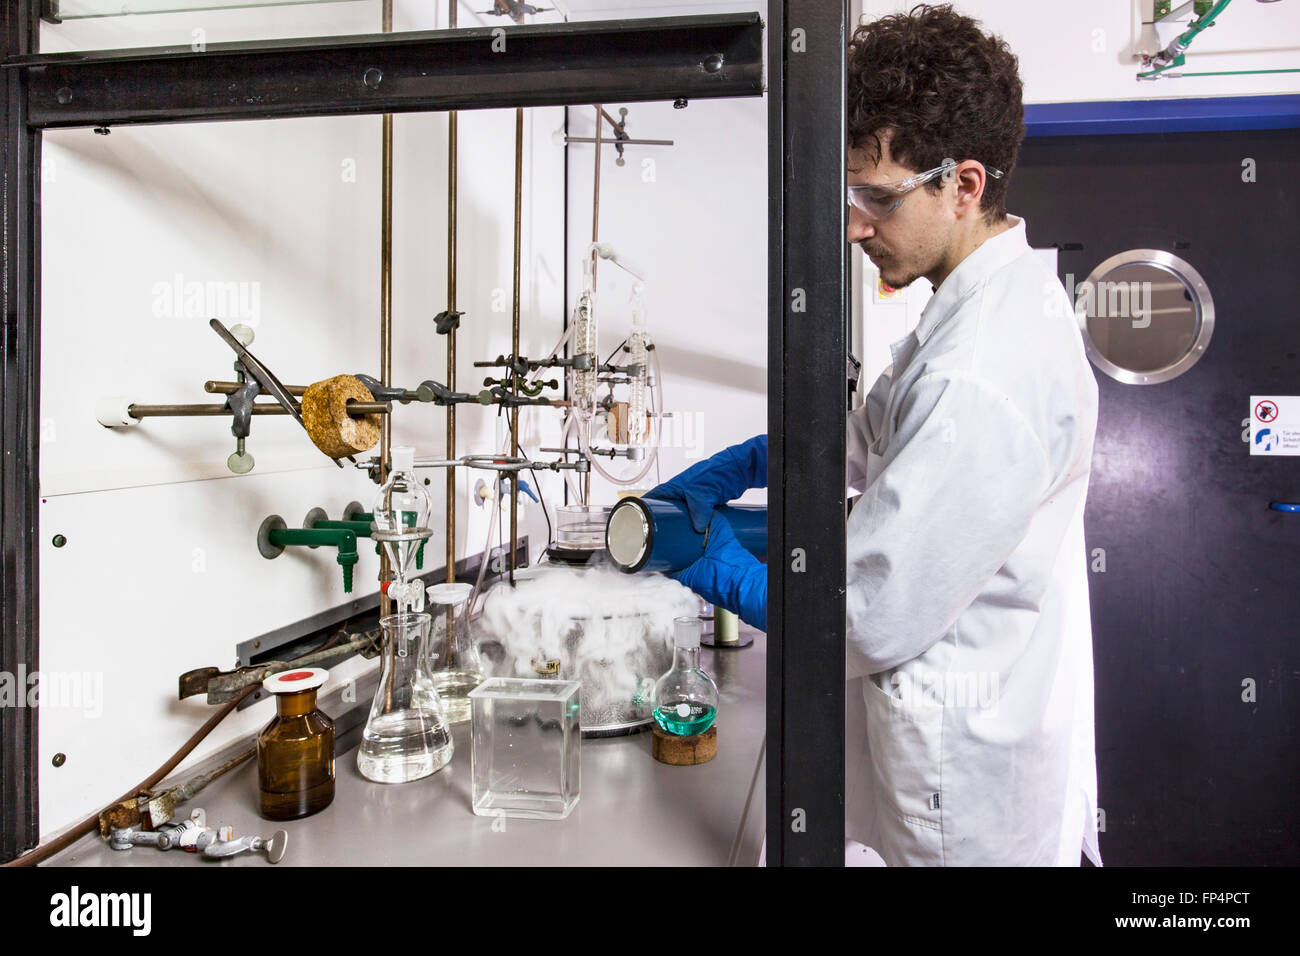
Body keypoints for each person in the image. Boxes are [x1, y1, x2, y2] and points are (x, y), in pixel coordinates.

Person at [645, 4, 1101, 867]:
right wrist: (759, 461)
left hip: (962, 791)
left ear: (963, 185)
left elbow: (862, 619)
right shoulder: (970, 318)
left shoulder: (985, 368)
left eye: (877, 197)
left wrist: (722, 568)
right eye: (848, 194)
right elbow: (872, 436)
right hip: (948, 738)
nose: (854, 226)